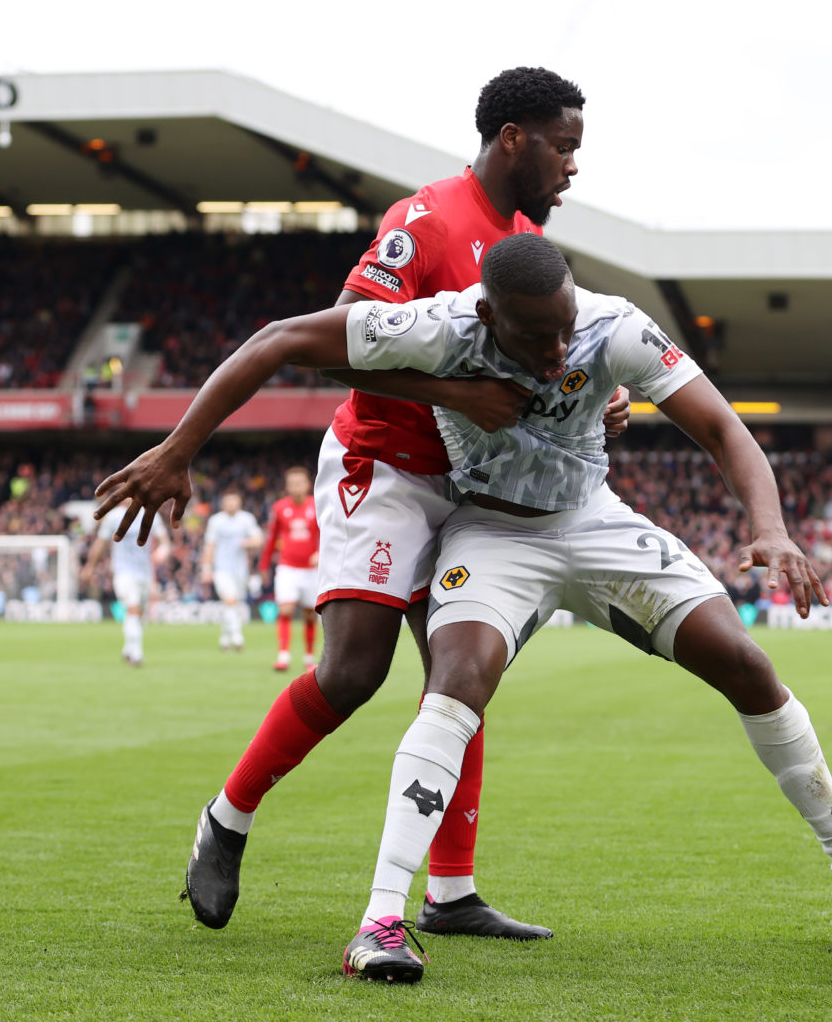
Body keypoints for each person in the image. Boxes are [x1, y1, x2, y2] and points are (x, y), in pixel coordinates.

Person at [90, 233, 832, 986]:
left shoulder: (614, 326)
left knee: (743, 661)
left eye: (563, 328)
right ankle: (380, 921)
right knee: (454, 679)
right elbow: (280, 340)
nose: (558, 351)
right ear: (487, 317)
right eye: (536, 338)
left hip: (595, 519)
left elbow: (722, 429)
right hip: (494, 531)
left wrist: (770, 531)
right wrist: (178, 448)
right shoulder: (438, 328)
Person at [170, 66, 625, 940]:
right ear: (514, 139)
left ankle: (450, 893)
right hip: (384, 467)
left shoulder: (526, 239)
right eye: (563, 146)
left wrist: (595, 393)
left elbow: (546, 354)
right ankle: (227, 817)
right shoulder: (426, 222)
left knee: (465, 668)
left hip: (475, 486)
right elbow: (335, 346)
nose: (573, 165)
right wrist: (455, 399)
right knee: (353, 673)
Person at [82, 498, 171, 666]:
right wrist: (89, 566)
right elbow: (100, 543)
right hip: (123, 572)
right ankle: (136, 653)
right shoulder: (114, 517)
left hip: (145, 573)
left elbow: (165, 542)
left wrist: (163, 551)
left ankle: (129, 648)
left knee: (139, 614)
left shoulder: (151, 514)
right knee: (133, 608)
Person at [260, 466, 322, 672]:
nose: (296, 487)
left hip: (311, 570)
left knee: (309, 614)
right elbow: (271, 539)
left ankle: (309, 658)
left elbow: (328, 534)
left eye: (299, 483)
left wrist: (321, 552)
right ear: (287, 486)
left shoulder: (317, 506)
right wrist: (264, 565)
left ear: (307, 484)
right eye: (292, 483)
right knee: (285, 609)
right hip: (287, 567)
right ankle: (283, 655)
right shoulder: (279, 508)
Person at [202, 491, 263, 652]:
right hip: (221, 568)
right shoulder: (216, 521)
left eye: (234, 501)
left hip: (240, 570)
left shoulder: (246, 519)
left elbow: (259, 539)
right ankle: (237, 636)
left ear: (239, 503)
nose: (231, 504)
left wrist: (248, 542)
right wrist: (207, 568)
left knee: (231, 603)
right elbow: (210, 545)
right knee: (230, 600)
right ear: (223, 503)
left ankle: (224, 637)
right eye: (228, 501)